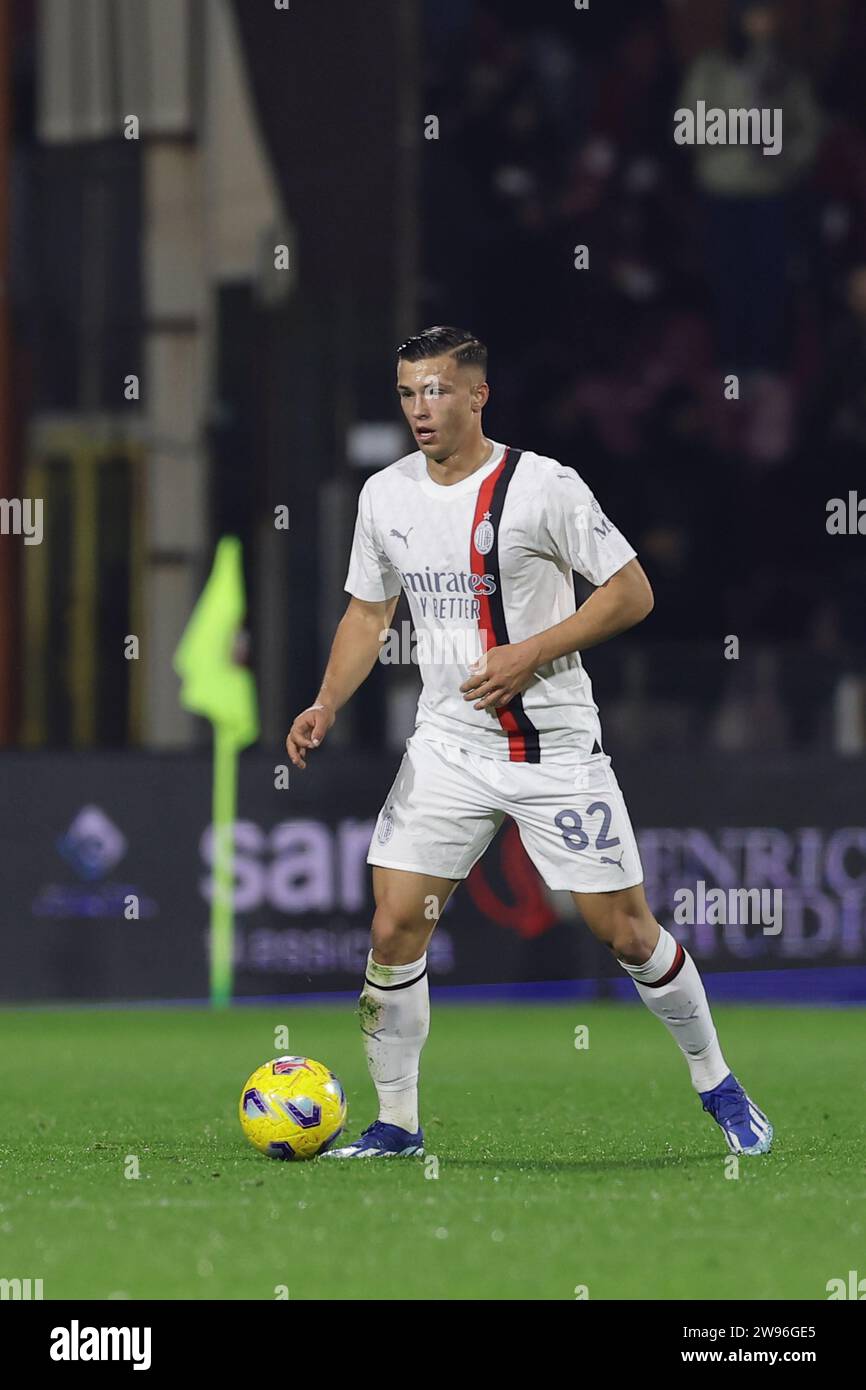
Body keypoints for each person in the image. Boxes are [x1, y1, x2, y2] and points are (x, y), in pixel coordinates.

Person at [285, 325, 773, 1159]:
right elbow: (370, 614)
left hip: (553, 747)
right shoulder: (387, 496)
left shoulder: (545, 487)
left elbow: (632, 593)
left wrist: (532, 652)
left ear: (479, 394)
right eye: (407, 393)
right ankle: (397, 1124)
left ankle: (717, 1082)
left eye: (436, 390)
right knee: (395, 927)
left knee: (625, 931)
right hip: (446, 746)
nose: (420, 410)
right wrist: (327, 701)